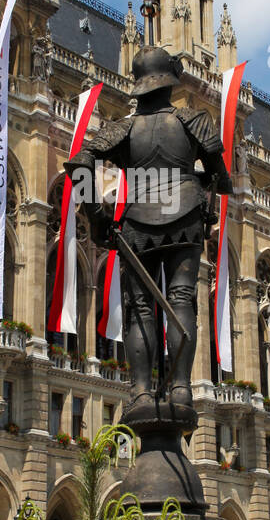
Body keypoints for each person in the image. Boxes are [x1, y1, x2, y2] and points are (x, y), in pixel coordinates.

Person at [67, 46, 233, 425]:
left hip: (137, 225)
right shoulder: (195, 121)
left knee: (140, 308)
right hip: (187, 219)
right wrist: (199, 178)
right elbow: (222, 180)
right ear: (169, 82)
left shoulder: (123, 128)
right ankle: (181, 388)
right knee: (181, 303)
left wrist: (97, 218)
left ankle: (141, 391)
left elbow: (80, 163)